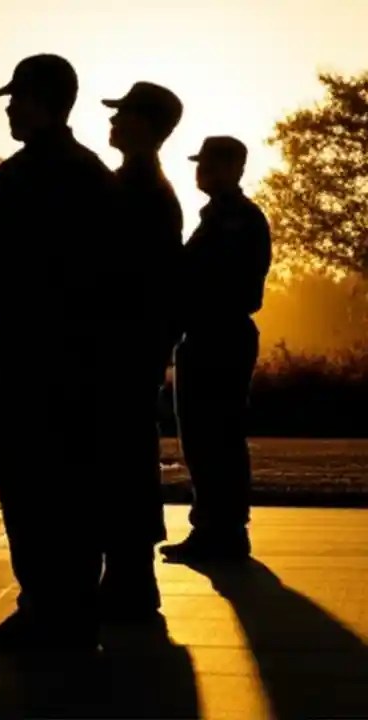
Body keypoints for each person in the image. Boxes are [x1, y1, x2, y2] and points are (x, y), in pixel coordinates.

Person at [0, 54, 118, 651]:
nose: (9, 109)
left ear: (45, 103)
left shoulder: (17, 179)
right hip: (81, 347)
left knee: (30, 482)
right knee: (73, 480)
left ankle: (45, 612)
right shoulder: (92, 175)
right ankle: (70, 611)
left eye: (19, 98)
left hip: (27, 345)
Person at [161, 136, 271, 564]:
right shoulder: (219, 217)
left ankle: (222, 531)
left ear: (232, 167)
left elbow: (224, 283)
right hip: (208, 334)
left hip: (219, 335)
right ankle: (214, 527)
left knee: (216, 436)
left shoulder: (236, 220)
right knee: (203, 437)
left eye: (208, 163)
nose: (200, 171)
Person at [99, 81, 185, 622]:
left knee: (122, 464)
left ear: (148, 126)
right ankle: (128, 578)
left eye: (124, 114)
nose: (113, 121)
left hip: (122, 348)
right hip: (132, 347)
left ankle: (129, 581)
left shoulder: (139, 191)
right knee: (124, 461)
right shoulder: (139, 185)